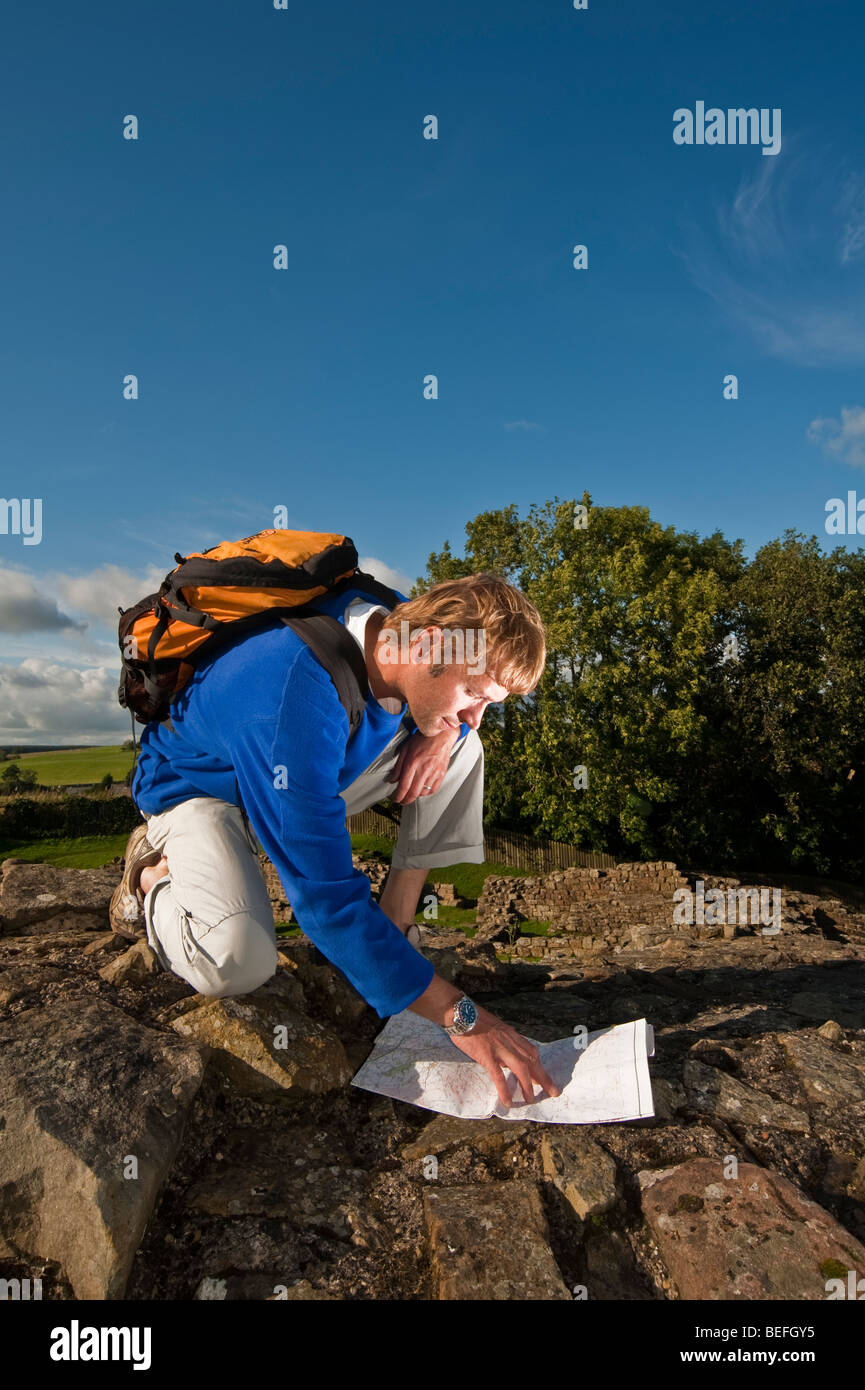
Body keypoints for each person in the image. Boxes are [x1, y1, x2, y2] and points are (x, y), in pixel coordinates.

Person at [112, 571, 560, 1109]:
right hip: (199, 790)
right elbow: (324, 902)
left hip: (300, 772)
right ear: (425, 646)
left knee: (462, 752)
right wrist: (461, 1017)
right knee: (237, 960)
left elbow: (453, 714)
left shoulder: (401, 622)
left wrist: (442, 735)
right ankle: (149, 878)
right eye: (472, 695)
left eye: (490, 703)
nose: (475, 717)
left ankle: (393, 924)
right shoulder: (291, 691)